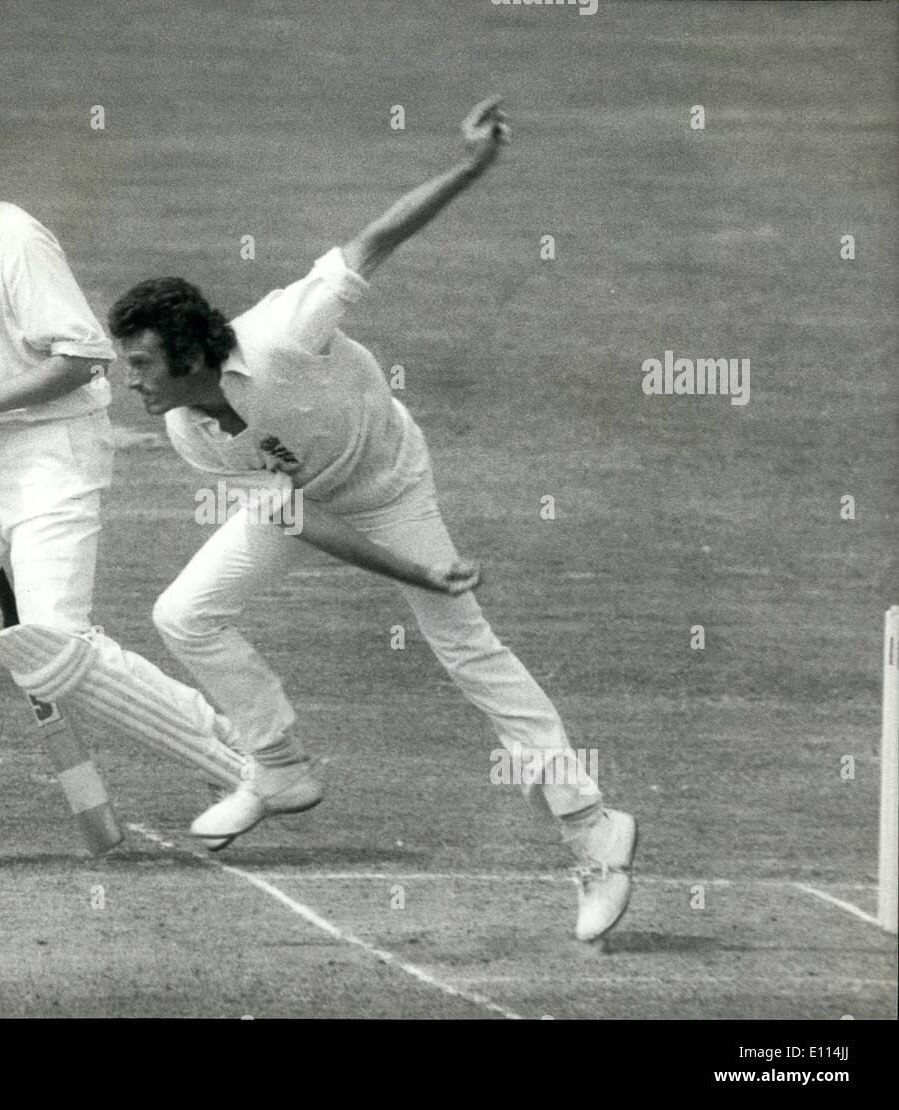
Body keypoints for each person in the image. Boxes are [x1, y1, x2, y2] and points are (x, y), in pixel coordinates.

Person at [107, 98, 637, 941]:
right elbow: (295, 519)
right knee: (184, 613)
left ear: (192, 353)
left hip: (392, 484)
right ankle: (279, 766)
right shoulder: (189, 432)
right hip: (319, 497)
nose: (130, 381)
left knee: (467, 648)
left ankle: (591, 827)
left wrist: (472, 165)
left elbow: (378, 240)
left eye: (140, 364)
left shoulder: (285, 334)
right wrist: (404, 572)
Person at [0, 104, 283, 869]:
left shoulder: (14, 238)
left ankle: (254, 765)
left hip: (53, 458)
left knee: (56, 647)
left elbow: (84, 356)